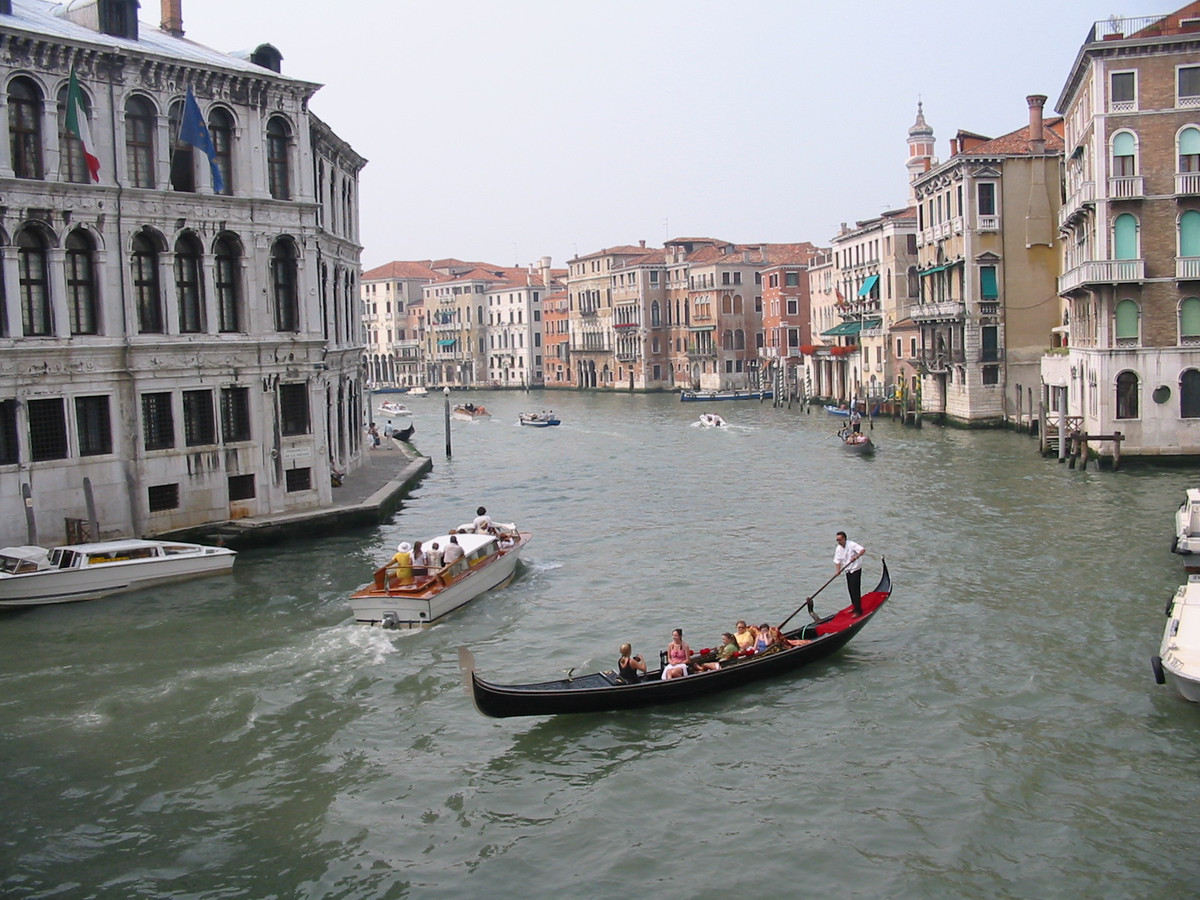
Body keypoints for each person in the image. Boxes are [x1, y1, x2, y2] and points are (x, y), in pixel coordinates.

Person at [834, 530, 867, 616]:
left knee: (855, 589)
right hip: (848, 570)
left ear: (844, 539)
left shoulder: (852, 544)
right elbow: (837, 560)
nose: (838, 541)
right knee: (850, 590)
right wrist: (838, 571)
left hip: (856, 569)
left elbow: (862, 550)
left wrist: (856, 556)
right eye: (837, 540)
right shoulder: (838, 548)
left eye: (840, 539)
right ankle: (854, 606)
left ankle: (858, 611)